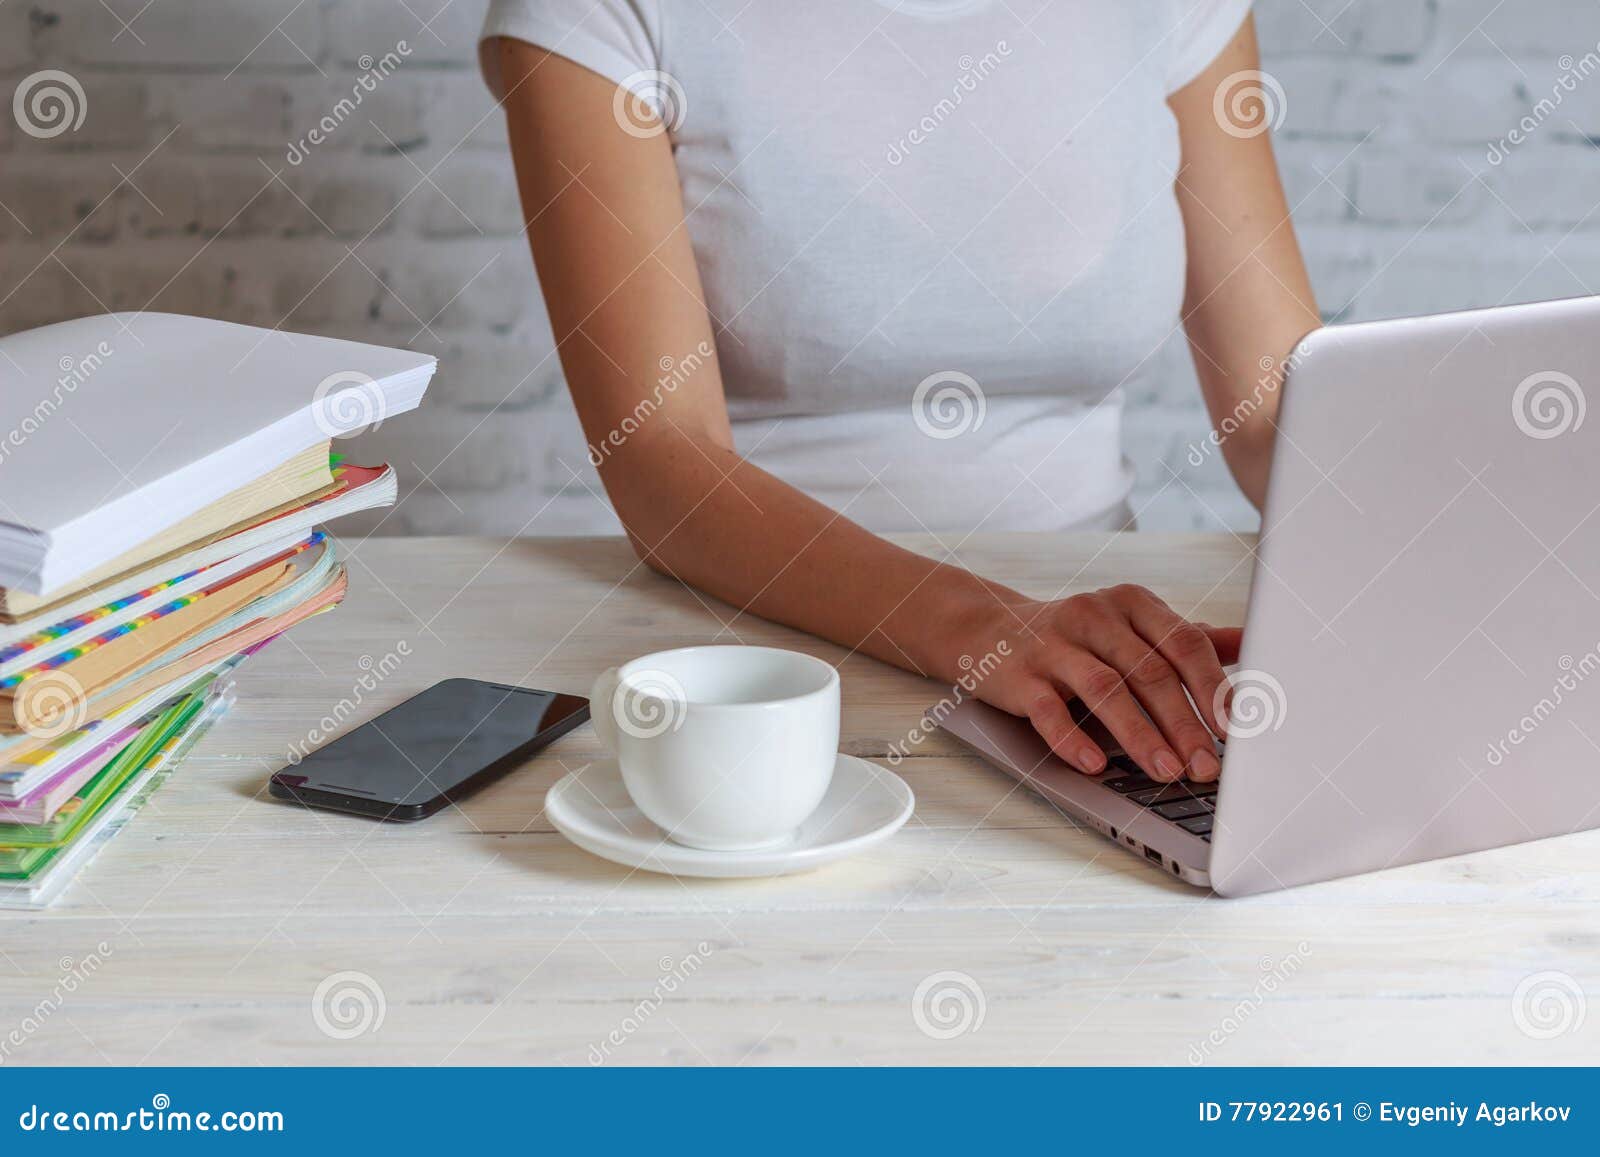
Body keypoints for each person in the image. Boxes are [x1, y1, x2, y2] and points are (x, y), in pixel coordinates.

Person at [479, 1, 1318, 784]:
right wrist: (983, 628)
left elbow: (1279, 412)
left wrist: (1415, 525)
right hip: (752, 691)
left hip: (1092, 686)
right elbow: (660, 458)